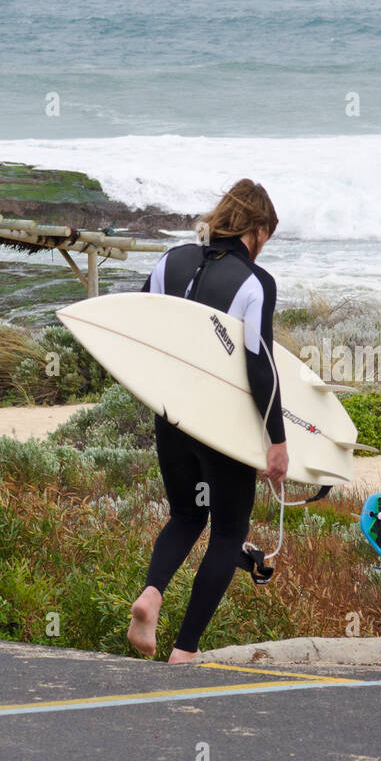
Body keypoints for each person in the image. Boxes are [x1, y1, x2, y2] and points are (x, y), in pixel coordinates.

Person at [126, 179, 288, 663]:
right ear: (256, 230)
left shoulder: (171, 260)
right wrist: (275, 439)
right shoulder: (255, 283)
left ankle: (151, 595)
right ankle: (185, 649)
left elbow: (134, 321)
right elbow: (260, 364)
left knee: (187, 514)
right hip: (221, 425)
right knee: (228, 532)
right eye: (267, 238)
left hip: (172, 415)